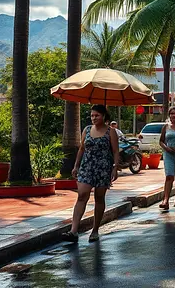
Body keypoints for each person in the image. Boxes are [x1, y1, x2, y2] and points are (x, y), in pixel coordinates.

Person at [62, 104, 120, 243]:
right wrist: (76, 165)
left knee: (99, 198)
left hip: (103, 168)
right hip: (86, 166)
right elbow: (82, 149)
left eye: (97, 115)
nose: (94, 118)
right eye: (92, 115)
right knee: (82, 195)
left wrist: (115, 167)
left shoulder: (110, 132)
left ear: (104, 116)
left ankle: (95, 230)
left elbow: (116, 151)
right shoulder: (87, 130)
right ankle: (74, 231)